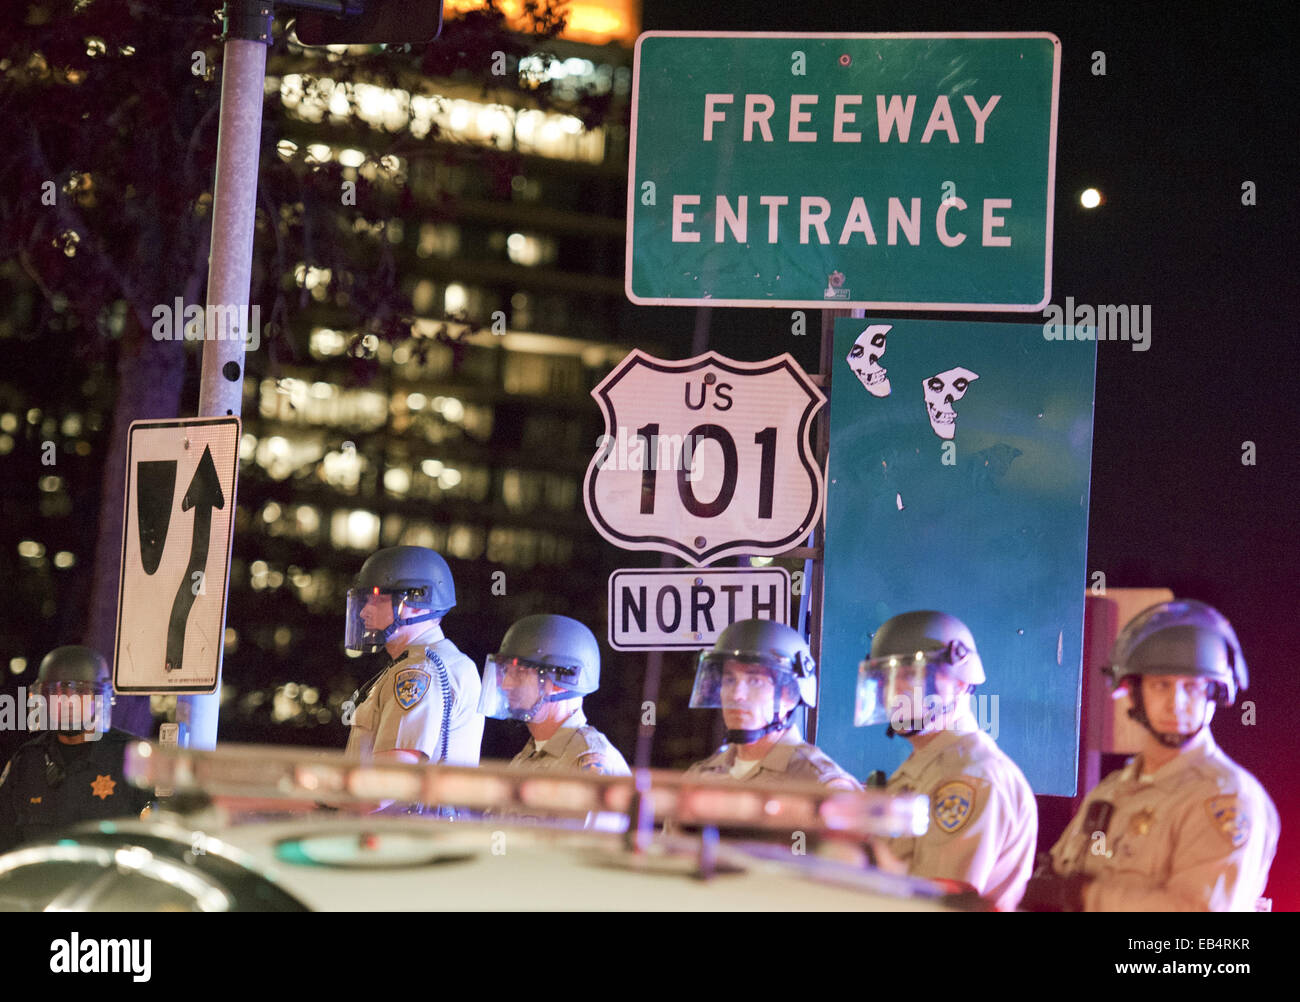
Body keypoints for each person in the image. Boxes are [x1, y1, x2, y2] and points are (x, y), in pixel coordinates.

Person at [1024, 599, 1279, 912]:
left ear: (1215, 694)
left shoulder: (1226, 798)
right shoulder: (1112, 791)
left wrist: (1084, 897)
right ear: (1134, 692)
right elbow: (1058, 880)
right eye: (1161, 685)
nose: (1177, 703)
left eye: (1193, 687)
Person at [854, 610, 1036, 911]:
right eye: (886, 678)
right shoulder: (925, 767)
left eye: (911, 675)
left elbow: (938, 902)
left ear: (961, 683)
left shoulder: (970, 777)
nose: (893, 692)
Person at [0, 646, 153, 853]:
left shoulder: (134, 758)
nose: (66, 702)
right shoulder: (27, 763)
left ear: (99, 698)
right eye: (55, 692)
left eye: (79, 692)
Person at [342, 545, 483, 768]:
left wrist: (324, 791)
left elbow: (389, 785)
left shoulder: (420, 671)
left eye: (377, 598)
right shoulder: (419, 663)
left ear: (417, 602)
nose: (363, 611)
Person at [685, 619, 860, 791]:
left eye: (755, 681)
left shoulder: (822, 785)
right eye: (730, 680)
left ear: (789, 695)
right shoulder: (700, 777)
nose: (737, 695)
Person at [479, 613, 629, 775]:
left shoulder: (587, 763)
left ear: (562, 682)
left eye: (519, 673)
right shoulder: (529, 756)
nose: (505, 684)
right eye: (506, 671)